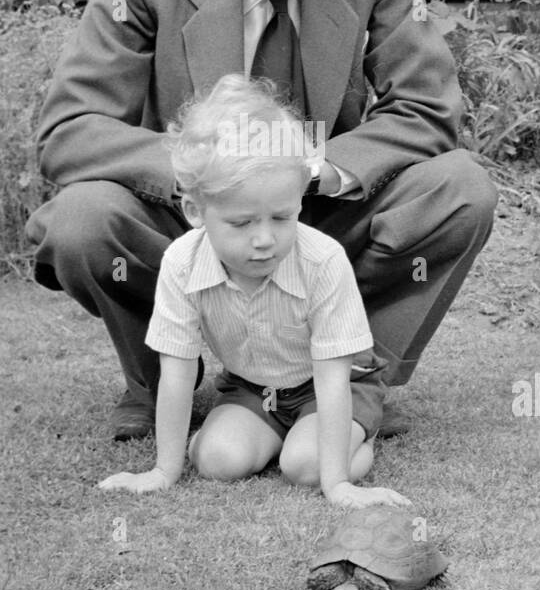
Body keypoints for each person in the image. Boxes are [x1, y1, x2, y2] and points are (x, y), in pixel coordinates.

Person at [26, 0, 497, 440]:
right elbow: (69, 131)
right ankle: (163, 376)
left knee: (462, 188)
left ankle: (355, 379)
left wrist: (324, 170)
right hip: (199, 221)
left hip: (323, 216)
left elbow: (429, 107)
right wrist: (209, 168)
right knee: (81, 221)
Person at [99, 75, 409, 506]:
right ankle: (278, 433)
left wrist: (337, 484)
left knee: (306, 467)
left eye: (281, 218)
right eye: (242, 223)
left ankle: (353, 436)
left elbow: (333, 375)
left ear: (300, 198)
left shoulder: (322, 260)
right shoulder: (181, 263)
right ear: (196, 211)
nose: (264, 239)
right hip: (252, 388)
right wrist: (163, 471)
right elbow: (177, 370)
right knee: (217, 461)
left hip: (334, 386)